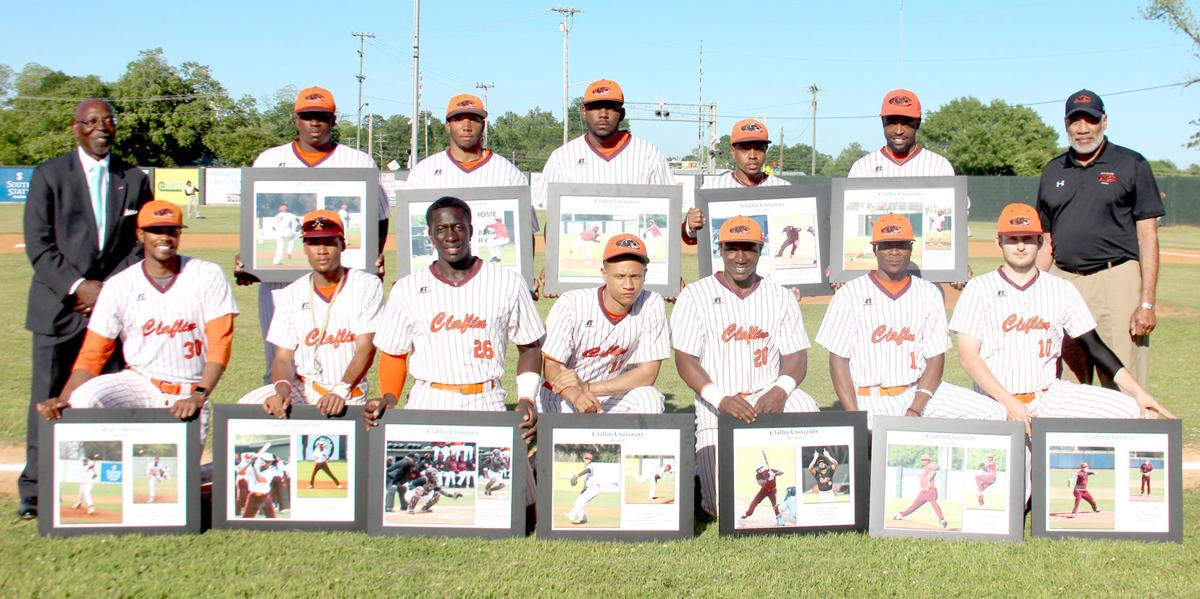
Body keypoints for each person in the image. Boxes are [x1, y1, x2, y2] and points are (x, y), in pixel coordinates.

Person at [19, 98, 153, 520]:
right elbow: (40, 246)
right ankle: (37, 489)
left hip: (113, 310)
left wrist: (108, 291)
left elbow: (140, 242)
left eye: (108, 120)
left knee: (109, 397)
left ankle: (111, 484)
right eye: (92, 121)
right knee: (49, 396)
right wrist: (79, 288)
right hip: (59, 309)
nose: (102, 127)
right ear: (76, 128)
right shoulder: (49, 175)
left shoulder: (132, 178)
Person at [367, 197, 544, 505]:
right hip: (429, 397)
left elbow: (529, 346)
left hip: (485, 397)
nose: (450, 236)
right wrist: (390, 397)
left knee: (519, 509)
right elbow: (394, 353)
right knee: (414, 497)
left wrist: (526, 397)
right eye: (442, 229)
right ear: (430, 235)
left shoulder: (506, 282)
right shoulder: (408, 288)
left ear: (471, 230)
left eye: (458, 227)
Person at [949, 204, 1173, 430]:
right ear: (999, 243)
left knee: (1133, 409)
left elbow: (1095, 347)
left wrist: (1138, 392)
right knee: (1013, 460)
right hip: (994, 400)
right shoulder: (979, 288)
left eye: (1027, 238)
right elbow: (969, 357)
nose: (1020, 246)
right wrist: (1010, 404)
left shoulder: (1061, 289)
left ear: (1040, 242)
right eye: (1012, 239)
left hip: (1048, 396)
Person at [36, 201, 238, 443]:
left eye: (171, 230)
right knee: (83, 399)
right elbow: (93, 353)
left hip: (188, 389)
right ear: (140, 234)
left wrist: (200, 394)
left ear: (179, 234)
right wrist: (66, 398)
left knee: (180, 478)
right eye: (156, 230)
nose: (165, 237)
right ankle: (95, 469)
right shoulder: (118, 286)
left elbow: (220, 342)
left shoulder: (207, 274)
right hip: (140, 383)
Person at [237, 86, 390, 386]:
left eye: (321, 117)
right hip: (280, 282)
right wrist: (248, 257)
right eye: (308, 116)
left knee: (344, 359)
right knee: (278, 364)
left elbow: (381, 216)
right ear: (296, 119)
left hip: (342, 281)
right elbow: (251, 219)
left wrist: (374, 254)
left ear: (333, 120)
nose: (314, 123)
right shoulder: (269, 160)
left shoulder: (358, 162)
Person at [671, 216, 819, 517]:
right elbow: (685, 359)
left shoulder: (779, 295)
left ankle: (812, 491)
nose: (740, 257)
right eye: (732, 248)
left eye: (749, 248)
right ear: (720, 248)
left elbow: (797, 356)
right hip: (717, 401)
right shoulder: (695, 295)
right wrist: (720, 399)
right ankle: (698, 470)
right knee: (720, 510)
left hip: (767, 394)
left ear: (761, 249)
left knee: (808, 408)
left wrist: (781, 389)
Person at [815, 214, 1005, 426]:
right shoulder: (850, 293)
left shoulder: (928, 292)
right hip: (870, 398)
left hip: (921, 392)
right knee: (878, 451)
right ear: (875, 249)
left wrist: (915, 408)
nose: (894, 251)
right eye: (887, 245)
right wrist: (854, 418)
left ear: (911, 248)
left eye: (902, 245)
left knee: (993, 412)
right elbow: (838, 360)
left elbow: (935, 358)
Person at [1035, 89, 1164, 391]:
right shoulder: (1054, 168)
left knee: (1120, 374)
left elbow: (1147, 236)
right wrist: (1034, 289)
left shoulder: (1131, 164)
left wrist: (1146, 302)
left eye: (1090, 120)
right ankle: (1072, 440)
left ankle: (1124, 438)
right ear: (1065, 124)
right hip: (1064, 279)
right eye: (1074, 121)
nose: (1082, 129)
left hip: (1115, 277)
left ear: (1104, 121)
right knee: (1067, 377)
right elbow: (1046, 238)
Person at [236, 210, 382, 418]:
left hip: (349, 391)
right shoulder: (290, 294)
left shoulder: (366, 284)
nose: (321, 250)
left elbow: (366, 347)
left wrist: (341, 390)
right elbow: (283, 357)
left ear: (343, 244)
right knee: (245, 408)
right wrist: (282, 391)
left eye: (329, 242)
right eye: (313, 243)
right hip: (303, 387)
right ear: (304, 247)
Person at [539, 234, 670, 414]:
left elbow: (647, 373)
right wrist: (576, 394)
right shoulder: (571, 304)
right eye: (620, 276)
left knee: (649, 398)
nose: (628, 284)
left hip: (608, 390)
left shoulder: (651, 303)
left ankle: (631, 443)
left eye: (635, 276)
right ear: (604, 274)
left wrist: (588, 387)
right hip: (564, 393)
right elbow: (552, 367)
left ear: (645, 274)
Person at [685, 118, 790, 245]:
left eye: (758, 148)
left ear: (766, 149)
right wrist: (690, 225)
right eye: (745, 149)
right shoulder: (712, 187)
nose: (752, 155)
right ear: (733, 151)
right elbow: (689, 237)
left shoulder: (784, 188)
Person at [848, 89, 954, 178]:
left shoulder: (939, 166)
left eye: (907, 123)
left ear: (918, 123)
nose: (898, 131)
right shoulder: (863, 167)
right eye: (891, 122)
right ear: (883, 122)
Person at [893, 454, 947, 528]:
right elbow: (922, 478)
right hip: (923, 492)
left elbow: (937, 468)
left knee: (934, 504)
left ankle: (942, 520)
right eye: (923, 460)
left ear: (929, 460)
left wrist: (933, 467)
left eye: (926, 459)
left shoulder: (930, 466)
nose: (925, 461)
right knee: (914, 505)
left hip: (930, 490)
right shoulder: (923, 469)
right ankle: (901, 515)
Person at [565, 452, 601, 524]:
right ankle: (584, 518)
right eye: (586, 458)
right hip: (589, 489)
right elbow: (586, 481)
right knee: (577, 502)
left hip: (593, 488)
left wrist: (577, 475)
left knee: (580, 502)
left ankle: (572, 515)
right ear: (583, 459)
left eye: (589, 459)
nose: (587, 460)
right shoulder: (586, 466)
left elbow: (587, 471)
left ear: (591, 460)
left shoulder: (590, 466)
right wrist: (583, 490)